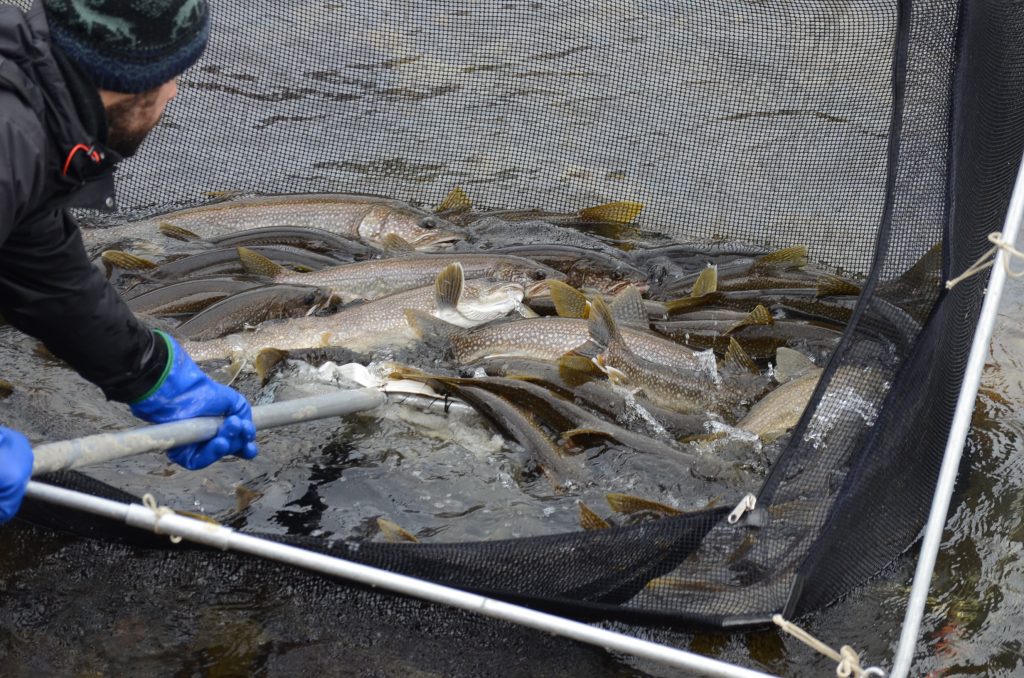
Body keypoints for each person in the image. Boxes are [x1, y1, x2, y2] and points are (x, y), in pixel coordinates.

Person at [0, 0, 257, 524]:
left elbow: (39, 268)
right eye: (171, 78)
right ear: (133, 80)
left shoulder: (32, 100)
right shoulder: (11, 143)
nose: (174, 93)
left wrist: (151, 373)